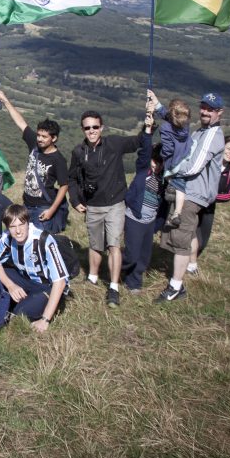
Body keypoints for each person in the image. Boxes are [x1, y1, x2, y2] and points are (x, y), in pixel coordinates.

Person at [67, 106, 144, 309]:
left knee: (113, 245)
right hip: (92, 205)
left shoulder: (114, 144)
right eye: (87, 128)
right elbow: (72, 178)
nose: (91, 131)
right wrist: (75, 200)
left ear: (102, 127)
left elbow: (137, 142)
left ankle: (113, 286)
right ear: (82, 130)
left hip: (115, 203)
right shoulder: (78, 152)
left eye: (95, 127)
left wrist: (149, 125)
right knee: (94, 244)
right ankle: (92, 277)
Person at [156, 92, 226, 303]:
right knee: (188, 232)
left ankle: (176, 287)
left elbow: (194, 166)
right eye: (203, 107)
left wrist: (171, 170)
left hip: (192, 194)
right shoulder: (201, 131)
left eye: (210, 109)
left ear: (219, 112)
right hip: (189, 191)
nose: (204, 111)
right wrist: (159, 106)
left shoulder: (213, 135)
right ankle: (192, 266)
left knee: (180, 238)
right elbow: (177, 125)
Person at [0, 88, 70, 233]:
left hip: (43, 207)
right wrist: (5, 101)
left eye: (44, 137)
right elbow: (21, 122)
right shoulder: (34, 144)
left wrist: (52, 210)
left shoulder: (58, 159)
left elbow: (64, 186)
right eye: (39, 135)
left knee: (39, 244)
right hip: (27, 205)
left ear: (54, 138)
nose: (40, 139)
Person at [0, 205, 69, 332]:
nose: (18, 231)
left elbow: (60, 281)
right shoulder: (7, 237)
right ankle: (9, 298)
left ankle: (34, 306)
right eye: (13, 226)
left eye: (21, 224)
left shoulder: (44, 240)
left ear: (28, 223)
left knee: (19, 314)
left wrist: (45, 320)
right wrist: (10, 285)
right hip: (26, 279)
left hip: (47, 286)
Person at [120, 110, 166, 294]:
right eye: (154, 161)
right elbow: (145, 152)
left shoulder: (164, 179)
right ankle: (119, 267)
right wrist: (148, 131)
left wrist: (158, 223)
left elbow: (164, 204)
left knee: (144, 257)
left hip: (150, 221)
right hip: (134, 218)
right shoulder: (143, 171)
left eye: (159, 163)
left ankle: (134, 283)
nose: (155, 165)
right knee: (131, 254)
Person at [191, 135, 230, 273]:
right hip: (195, 201)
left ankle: (191, 260)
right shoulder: (210, 161)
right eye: (229, 148)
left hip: (209, 206)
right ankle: (190, 264)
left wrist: (209, 196)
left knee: (203, 241)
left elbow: (229, 194)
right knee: (191, 234)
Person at [148, 92, 192, 229]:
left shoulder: (166, 128)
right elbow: (168, 116)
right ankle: (174, 210)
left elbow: (168, 150)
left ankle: (176, 213)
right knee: (180, 185)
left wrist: (159, 154)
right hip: (186, 157)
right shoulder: (184, 125)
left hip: (174, 163)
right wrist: (156, 103)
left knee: (178, 187)